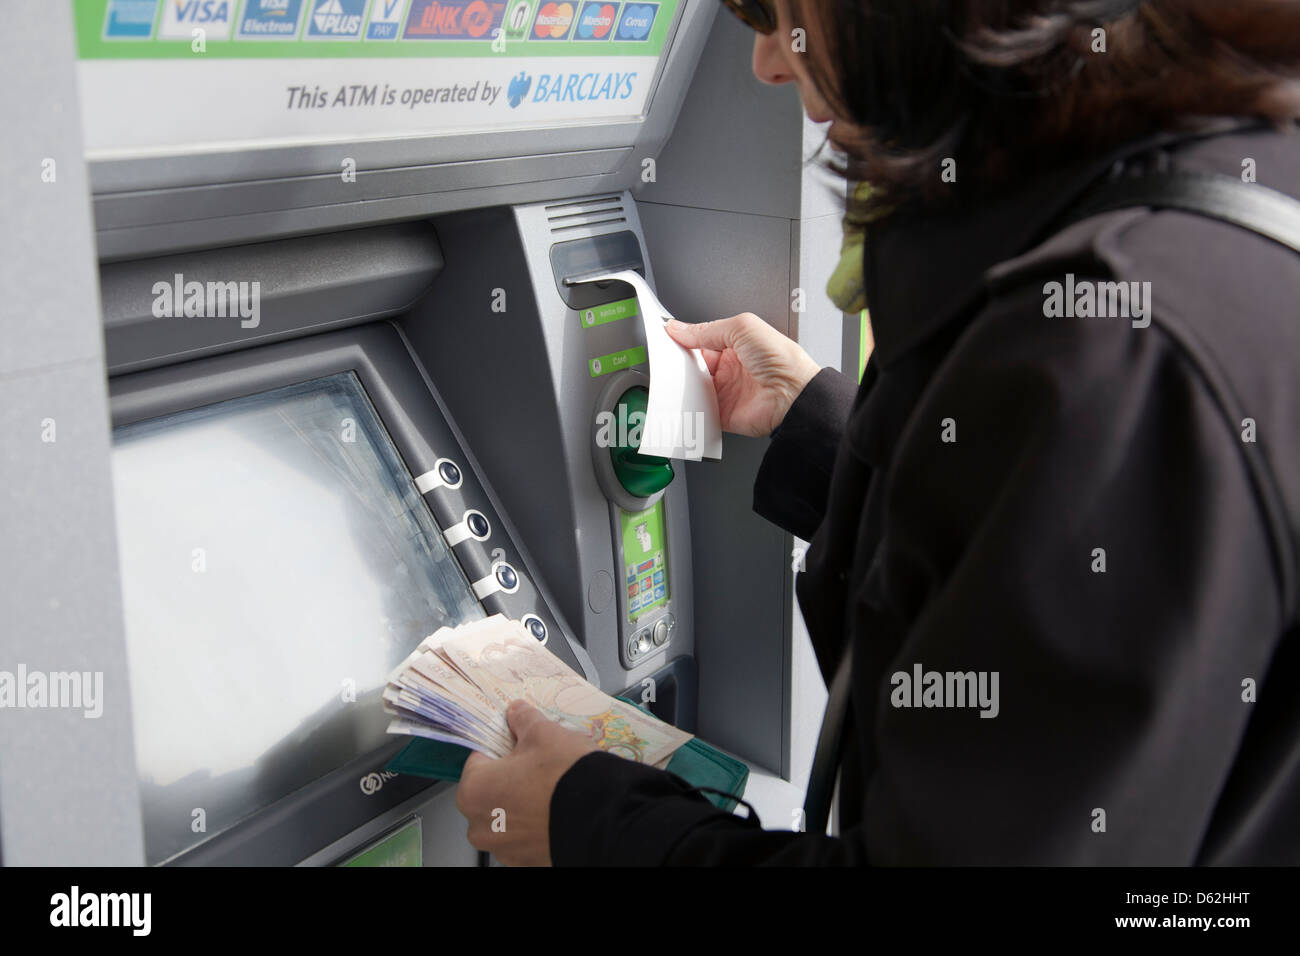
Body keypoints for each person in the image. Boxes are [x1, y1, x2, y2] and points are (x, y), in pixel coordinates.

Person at [456, 0, 1300, 865]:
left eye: (782, 14)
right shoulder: (1202, 211)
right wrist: (823, 432)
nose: (765, 66)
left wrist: (587, 824)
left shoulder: (1109, 352)